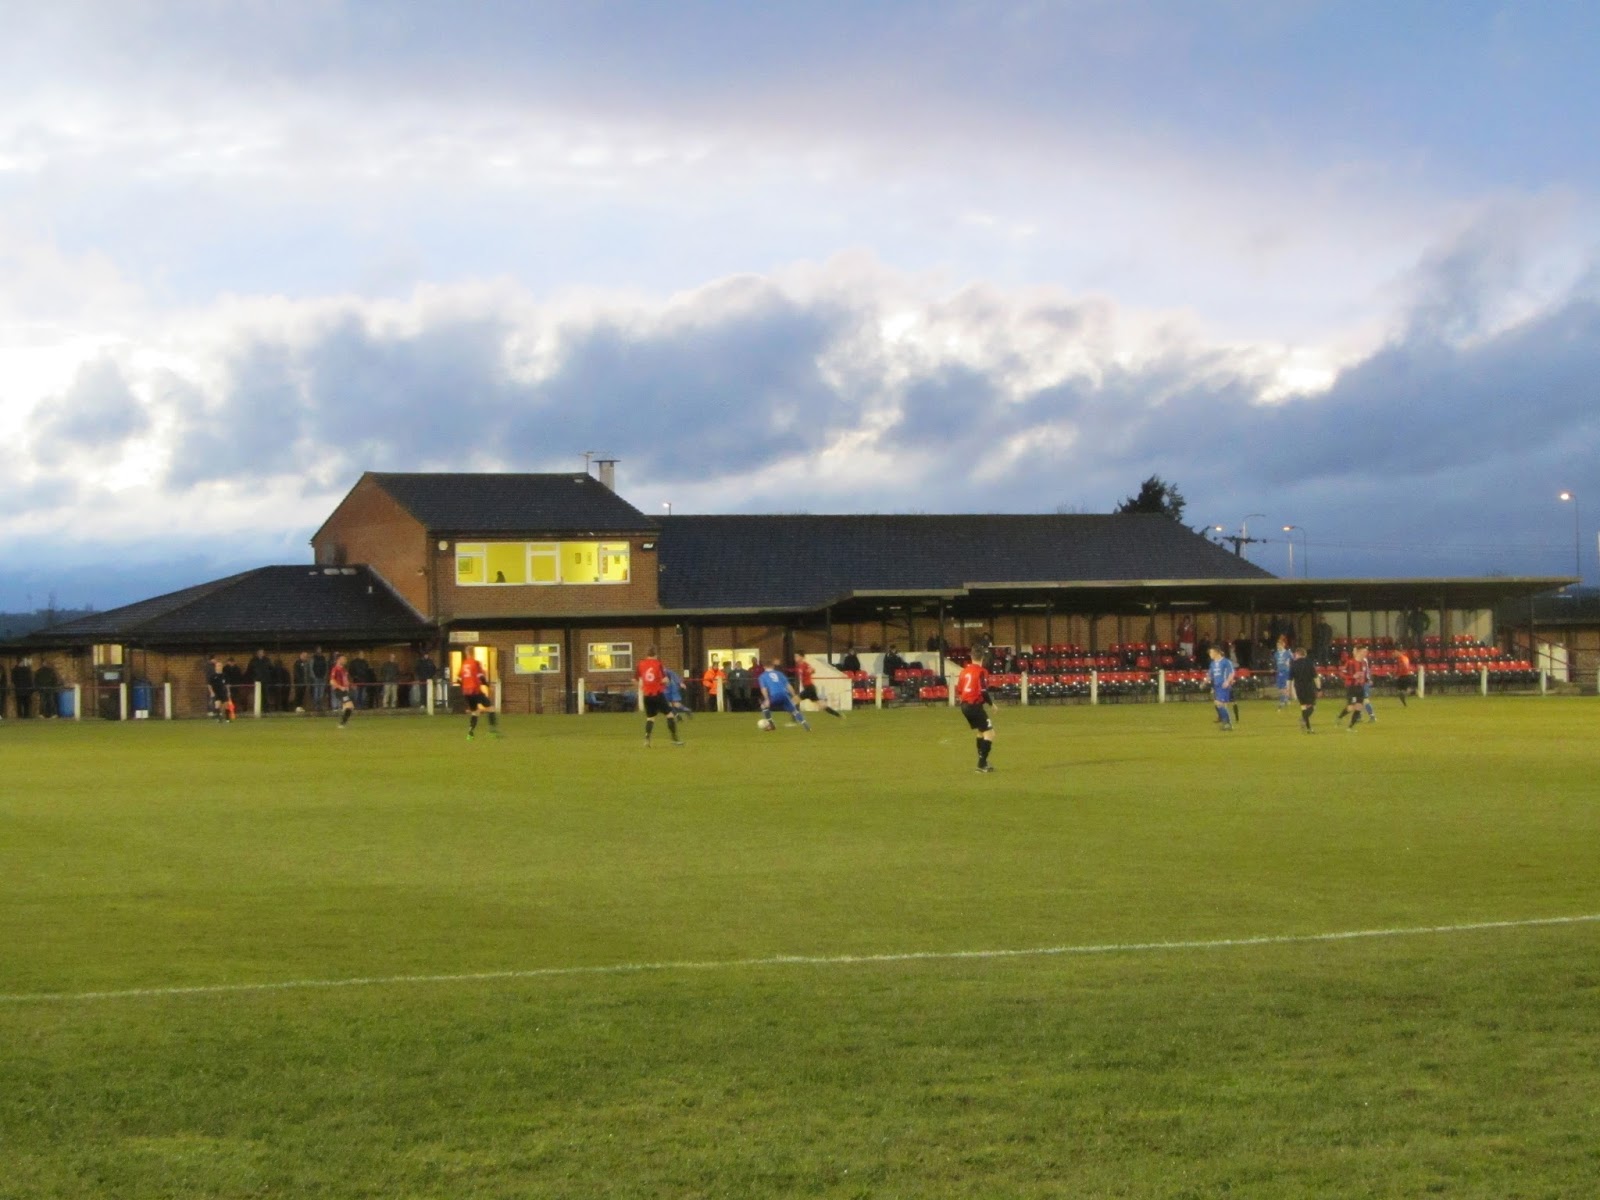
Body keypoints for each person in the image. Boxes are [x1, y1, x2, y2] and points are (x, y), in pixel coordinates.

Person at [955, 654, 995, 772]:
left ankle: (982, 762)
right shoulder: (981, 671)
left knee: (980, 731)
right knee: (990, 733)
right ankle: (981, 764)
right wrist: (991, 704)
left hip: (964, 706)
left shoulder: (964, 672)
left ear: (972, 657)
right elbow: (983, 690)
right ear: (982, 658)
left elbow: (960, 690)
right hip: (974, 705)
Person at [636, 646, 682, 746]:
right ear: (656, 655)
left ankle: (647, 739)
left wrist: (644, 686)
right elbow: (665, 680)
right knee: (669, 715)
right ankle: (675, 739)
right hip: (657, 694)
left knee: (650, 718)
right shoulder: (658, 664)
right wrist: (664, 682)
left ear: (647, 655)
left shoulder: (640, 664)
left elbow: (637, 680)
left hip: (647, 695)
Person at [758, 661, 811, 731]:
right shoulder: (780, 674)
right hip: (784, 695)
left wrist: (767, 699)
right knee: (794, 711)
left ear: (764, 667)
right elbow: (788, 685)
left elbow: (763, 689)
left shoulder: (762, 676)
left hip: (775, 695)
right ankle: (805, 725)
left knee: (763, 706)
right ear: (773, 667)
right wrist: (794, 695)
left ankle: (771, 724)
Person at [459, 653, 499, 739]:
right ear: (473, 653)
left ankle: (470, 733)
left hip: (467, 693)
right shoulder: (475, 663)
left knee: (475, 712)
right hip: (475, 691)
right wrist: (488, 686)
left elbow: (459, 679)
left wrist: (465, 686)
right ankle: (492, 732)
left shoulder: (464, 664)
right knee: (491, 708)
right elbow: (481, 677)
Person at [1288, 647, 1320, 733]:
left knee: (1303, 707)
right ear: (1304, 654)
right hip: (1309, 687)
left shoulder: (1293, 664)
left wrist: (1289, 690)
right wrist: (1319, 688)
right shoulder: (1309, 663)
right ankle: (1303, 719)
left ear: (1298, 654)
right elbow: (1316, 677)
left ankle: (1308, 728)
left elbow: (1289, 679)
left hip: (1298, 689)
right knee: (1312, 707)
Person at [1207, 644, 1236, 732]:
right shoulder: (1212, 664)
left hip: (1223, 685)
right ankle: (1226, 723)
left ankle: (1227, 723)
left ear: (1216, 652)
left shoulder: (1226, 662)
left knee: (1219, 703)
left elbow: (1232, 673)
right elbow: (1210, 675)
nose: (1210, 654)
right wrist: (1206, 681)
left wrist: (1227, 681)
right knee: (1218, 704)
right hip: (1216, 686)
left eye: (1211, 652)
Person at [1339, 647, 1369, 731]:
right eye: (1364, 652)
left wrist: (1367, 680)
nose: (1365, 654)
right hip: (1351, 687)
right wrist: (1352, 676)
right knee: (1351, 707)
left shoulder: (1364, 663)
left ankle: (1350, 727)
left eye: (1366, 652)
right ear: (1359, 652)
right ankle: (1340, 717)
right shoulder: (1350, 662)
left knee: (1359, 707)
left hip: (1360, 687)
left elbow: (1365, 675)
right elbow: (1341, 673)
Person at [329, 653, 356, 728]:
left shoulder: (343, 669)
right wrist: (340, 687)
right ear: (338, 660)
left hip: (344, 691)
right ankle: (342, 723)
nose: (345, 660)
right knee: (349, 706)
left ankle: (343, 722)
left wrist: (350, 685)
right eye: (343, 659)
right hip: (339, 691)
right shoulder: (335, 669)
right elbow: (331, 681)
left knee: (350, 707)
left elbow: (345, 680)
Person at [206, 656, 234, 722]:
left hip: (223, 692)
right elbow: (209, 685)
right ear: (216, 667)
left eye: (220, 666)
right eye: (218, 666)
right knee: (217, 704)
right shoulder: (212, 676)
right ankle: (219, 718)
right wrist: (212, 692)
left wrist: (228, 692)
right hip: (216, 692)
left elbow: (227, 685)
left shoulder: (225, 675)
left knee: (226, 706)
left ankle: (227, 718)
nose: (219, 667)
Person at [1272, 635, 1294, 710]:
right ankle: (1286, 699)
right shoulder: (1276, 654)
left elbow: (1294, 659)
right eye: (1277, 645)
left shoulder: (1288, 652)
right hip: (1279, 672)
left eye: (1279, 645)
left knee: (1284, 686)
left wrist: (1289, 663)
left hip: (1285, 671)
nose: (1278, 647)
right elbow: (1275, 663)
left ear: (1283, 645)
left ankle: (1282, 701)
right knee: (1280, 687)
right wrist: (1273, 669)